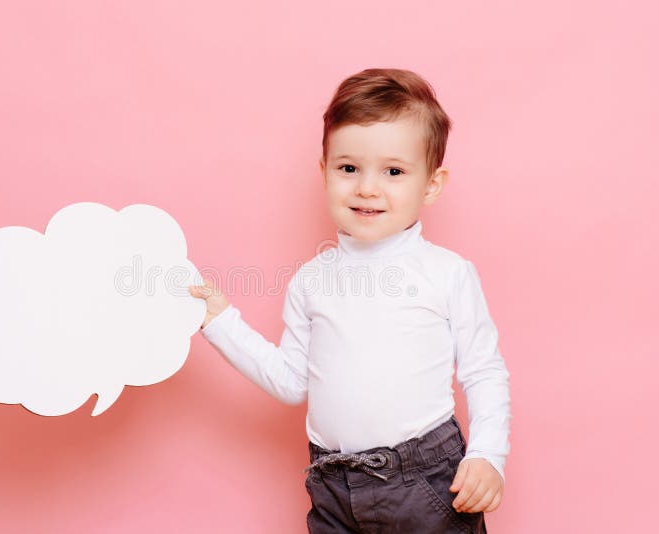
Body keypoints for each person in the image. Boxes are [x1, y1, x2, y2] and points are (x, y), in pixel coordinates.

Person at [189, 67, 510, 533]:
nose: (367, 188)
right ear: (324, 172)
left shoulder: (447, 273)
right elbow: (290, 381)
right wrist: (220, 321)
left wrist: (487, 454)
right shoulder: (310, 281)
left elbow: (484, 371)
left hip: (425, 481)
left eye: (394, 171)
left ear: (432, 185)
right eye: (348, 168)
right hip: (333, 485)